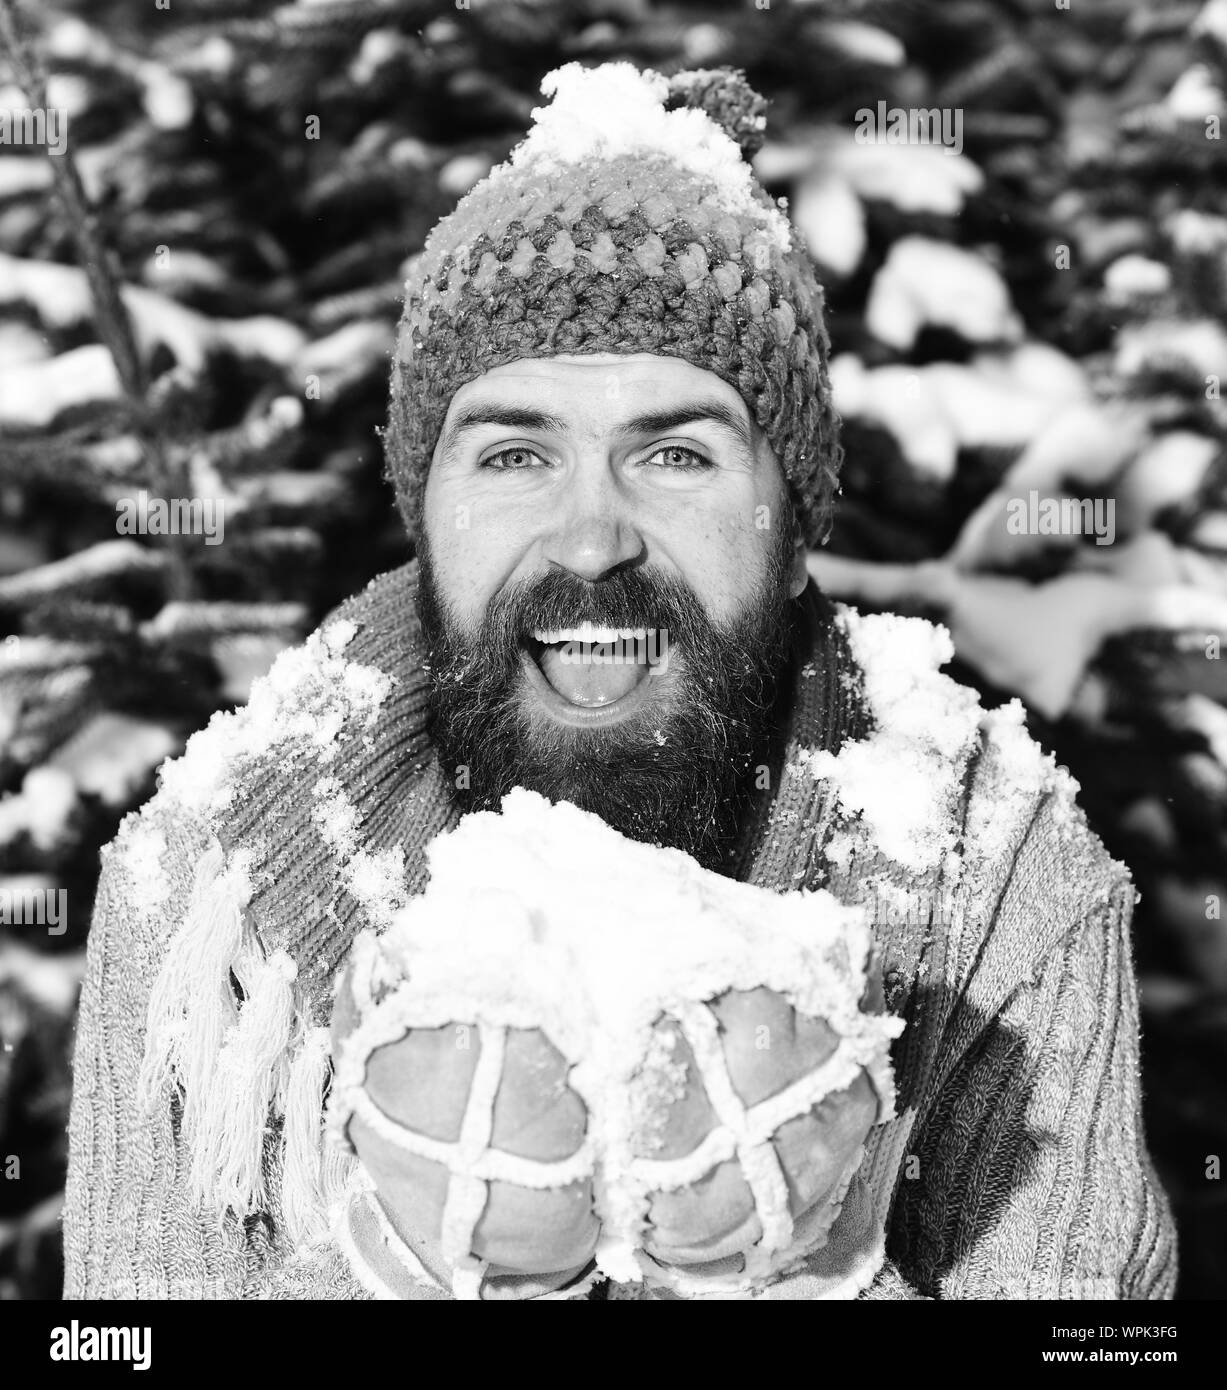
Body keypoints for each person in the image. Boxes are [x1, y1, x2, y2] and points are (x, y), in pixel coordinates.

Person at [63, 62, 1176, 1300]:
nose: (593, 537)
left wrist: (797, 1254)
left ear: (793, 525)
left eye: (678, 451)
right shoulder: (213, 893)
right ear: (421, 513)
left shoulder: (995, 874)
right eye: (516, 451)